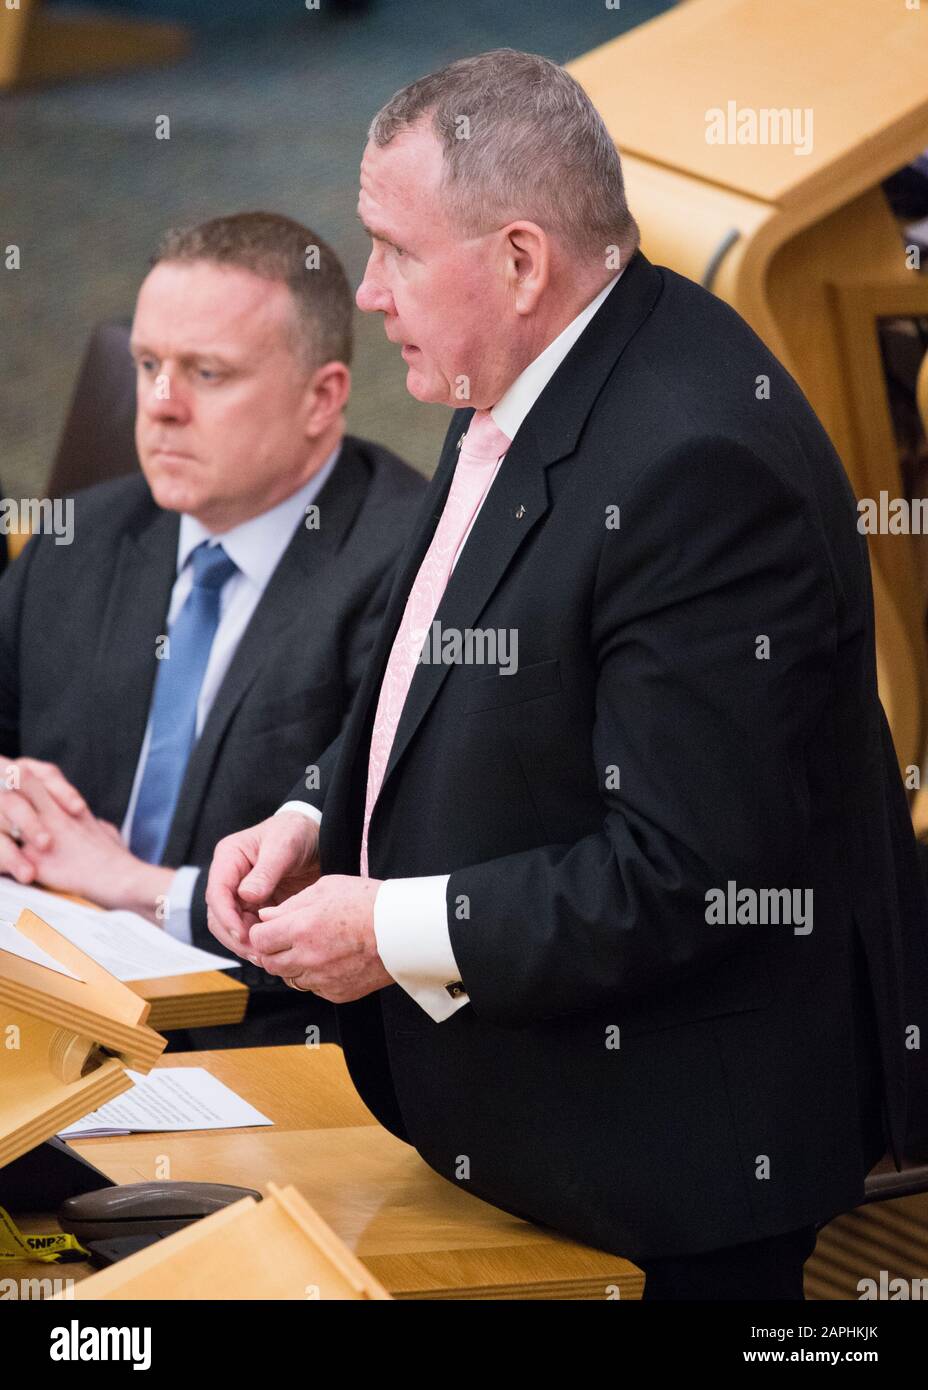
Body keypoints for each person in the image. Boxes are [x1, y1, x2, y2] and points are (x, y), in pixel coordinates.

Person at [205, 52, 928, 1294]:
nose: (367, 292)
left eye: (390, 249)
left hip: (668, 1163)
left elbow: (685, 876)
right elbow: (437, 646)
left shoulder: (699, 468)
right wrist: (316, 813)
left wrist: (384, 926)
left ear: (521, 260)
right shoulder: (520, 356)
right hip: (503, 1100)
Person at [0, 211, 425, 1047]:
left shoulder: (413, 569)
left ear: (322, 397)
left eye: (208, 373)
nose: (159, 407)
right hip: (44, 993)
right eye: (148, 365)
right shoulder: (78, 535)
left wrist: (129, 882)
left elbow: (384, 889)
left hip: (268, 1036)